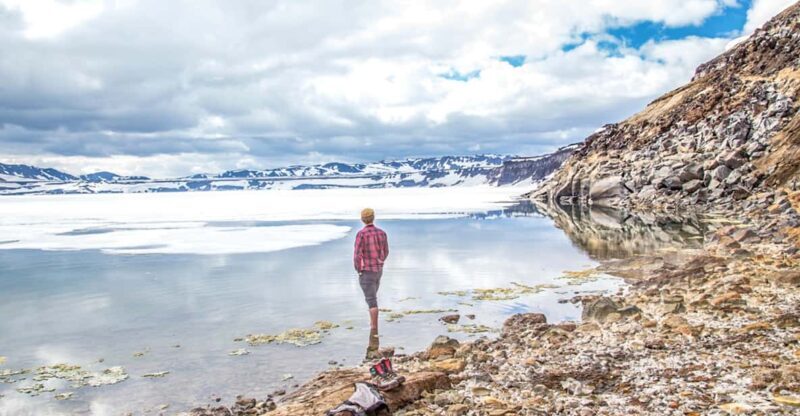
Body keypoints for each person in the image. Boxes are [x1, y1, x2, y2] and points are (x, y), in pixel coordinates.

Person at [354, 208, 389, 331]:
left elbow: (357, 255)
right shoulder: (382, 233)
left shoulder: (361, 234)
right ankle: (372, 324)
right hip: (378, 270)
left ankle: (374, 328)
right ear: (373, 217)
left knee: (371, 301)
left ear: (362, 219)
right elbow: (386, 251)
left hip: (367, 271)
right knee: (372, 297)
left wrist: (358, 269)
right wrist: (380, 262)